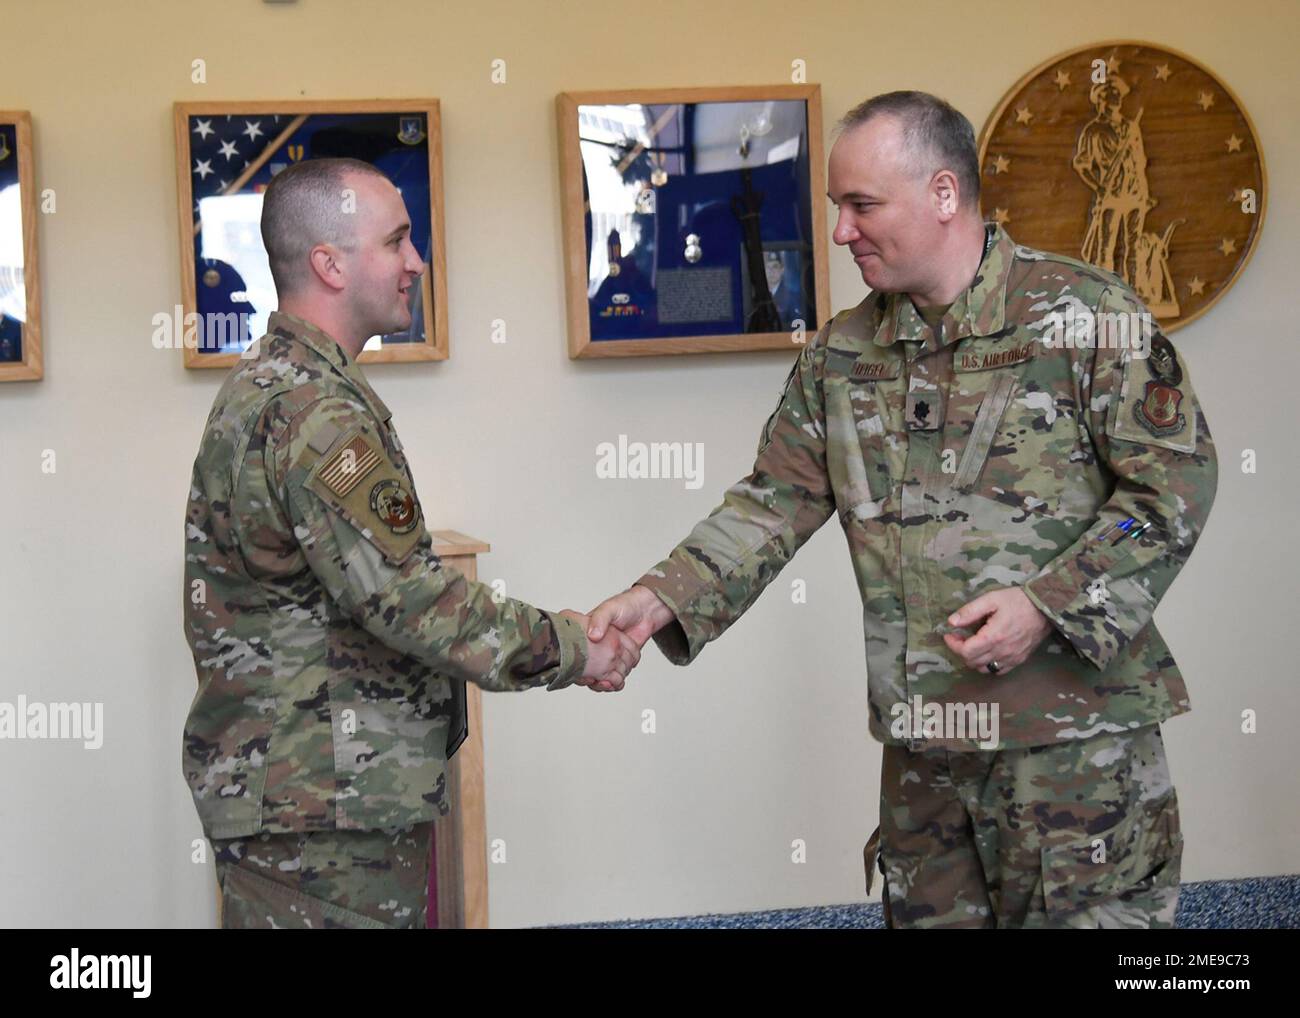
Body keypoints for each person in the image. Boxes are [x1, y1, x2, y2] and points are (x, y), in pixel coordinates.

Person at [588, 91, 1217, 929]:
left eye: (862, 205)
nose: (842, 231)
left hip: (1075, 752)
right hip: (926, 755)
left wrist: (1047, 603)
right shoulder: (842, 356)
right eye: (837, 208)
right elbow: (773, 504)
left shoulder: (1088, 319)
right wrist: (658, 596)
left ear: (945, 194)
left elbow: (1169, 489)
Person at [182, 157, 637, 929]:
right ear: (330, 264)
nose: (416, 262)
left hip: (305, 798)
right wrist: (574, 647)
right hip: (322, 813)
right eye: (397, 241)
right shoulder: (315, 409)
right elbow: (409, 598)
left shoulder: (275, 382)